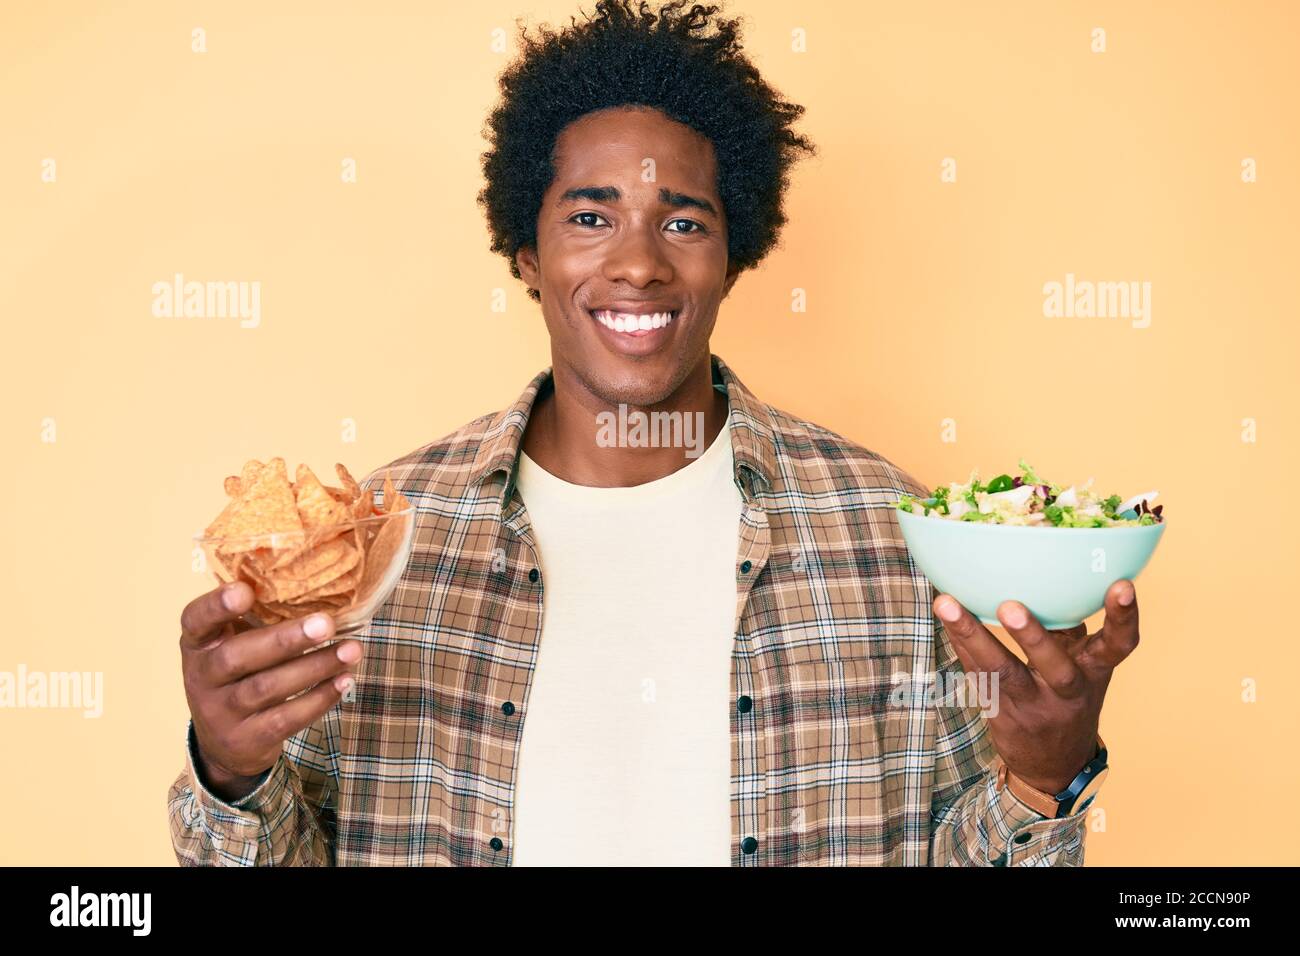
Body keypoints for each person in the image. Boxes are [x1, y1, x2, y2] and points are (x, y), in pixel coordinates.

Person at [168, 0, 1135, 866]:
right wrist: (229, 772)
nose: (637, 264)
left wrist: (1044, 779)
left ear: (734, 256)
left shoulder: (888, 531)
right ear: (528, 256)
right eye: (591, 216)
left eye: (683, 224)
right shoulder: (383, 541)